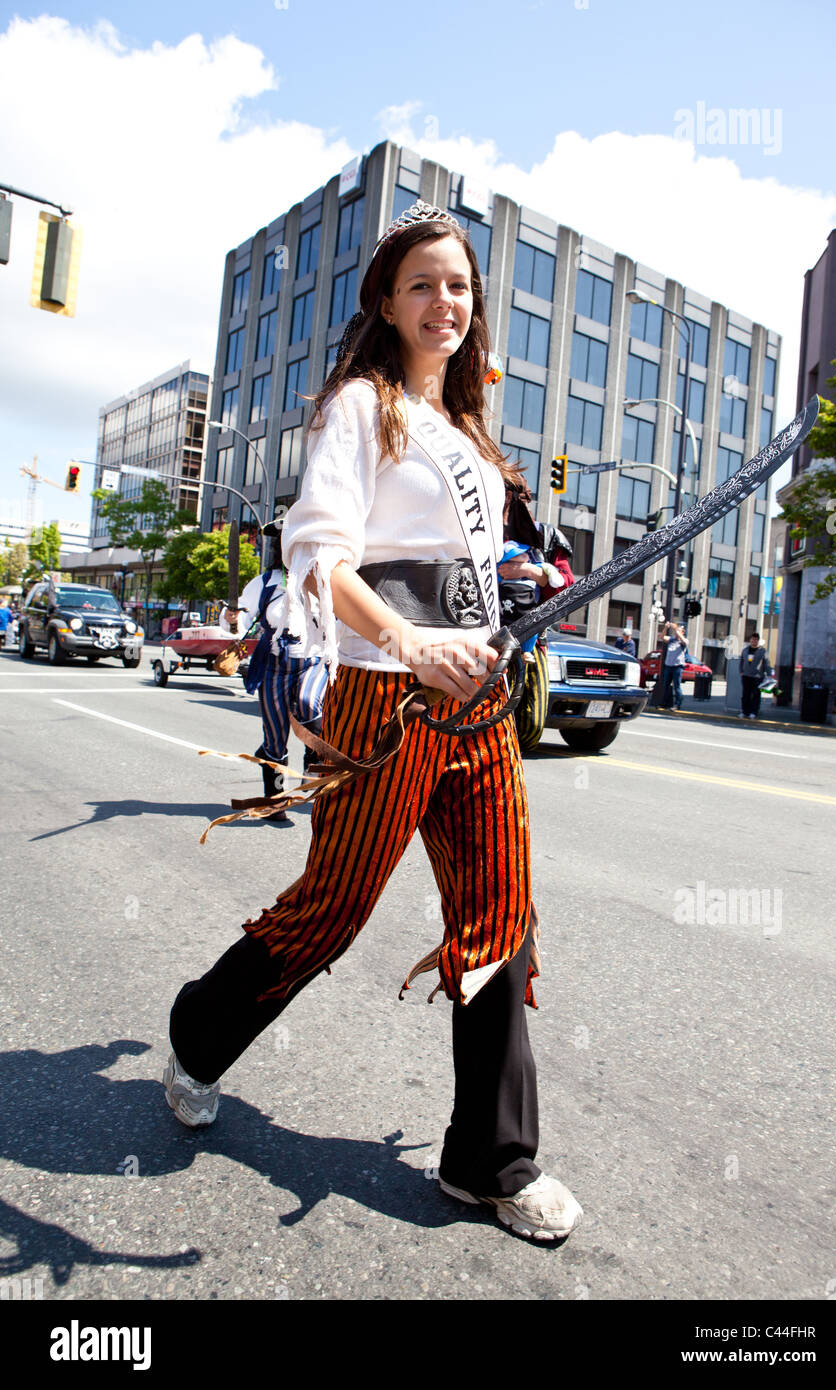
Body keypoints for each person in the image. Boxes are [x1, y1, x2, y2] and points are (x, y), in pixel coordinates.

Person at [163, 200, 582, 1242]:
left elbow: (465, 575)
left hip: (476, 706)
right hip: (385, 698)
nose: (445, 301)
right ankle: (197, 1032)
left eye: (459, 285)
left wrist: (502, 607)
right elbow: (322, 557)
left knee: (499, 918)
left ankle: (488, 1159)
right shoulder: (363, 405)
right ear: (388, 304)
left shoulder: (472, 437)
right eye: (423, 284)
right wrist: (411, 644)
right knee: (330, 909)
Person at [220, 522, 328, 816]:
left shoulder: (323, 579)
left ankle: (315, 765)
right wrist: (231, 617)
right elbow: (237, 623)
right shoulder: (264, 583)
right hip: (275, 664)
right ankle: (275, 797)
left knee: (309, 705)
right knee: (275, 737)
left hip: (314, 661)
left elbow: (340, 621)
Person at [739, 632, 772, 718]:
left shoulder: (762, 651)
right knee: (745, 694)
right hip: (746, 675)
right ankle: (744, 711)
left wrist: (769, 675)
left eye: (756, 640)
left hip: (757, 676)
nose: (754, 641)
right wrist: (741, 672)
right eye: (753, 639)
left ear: (758, 641)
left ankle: (754, 712)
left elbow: (766, 663)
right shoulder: (745, 650)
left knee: (755, 695)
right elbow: (741, 661)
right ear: (750, 640)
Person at [659, 620, 688, 709]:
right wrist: (666, 627)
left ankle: (677, 704)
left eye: (680, 630)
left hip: (677, 667)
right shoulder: (671, 639)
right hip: (668, 666)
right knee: (665, 686)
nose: (677, 632)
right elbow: (662, 637)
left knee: (677, 686)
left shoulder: (684, 641)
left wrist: (677, 630)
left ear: (683, 632)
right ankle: (664, 703)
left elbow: (684, 641)